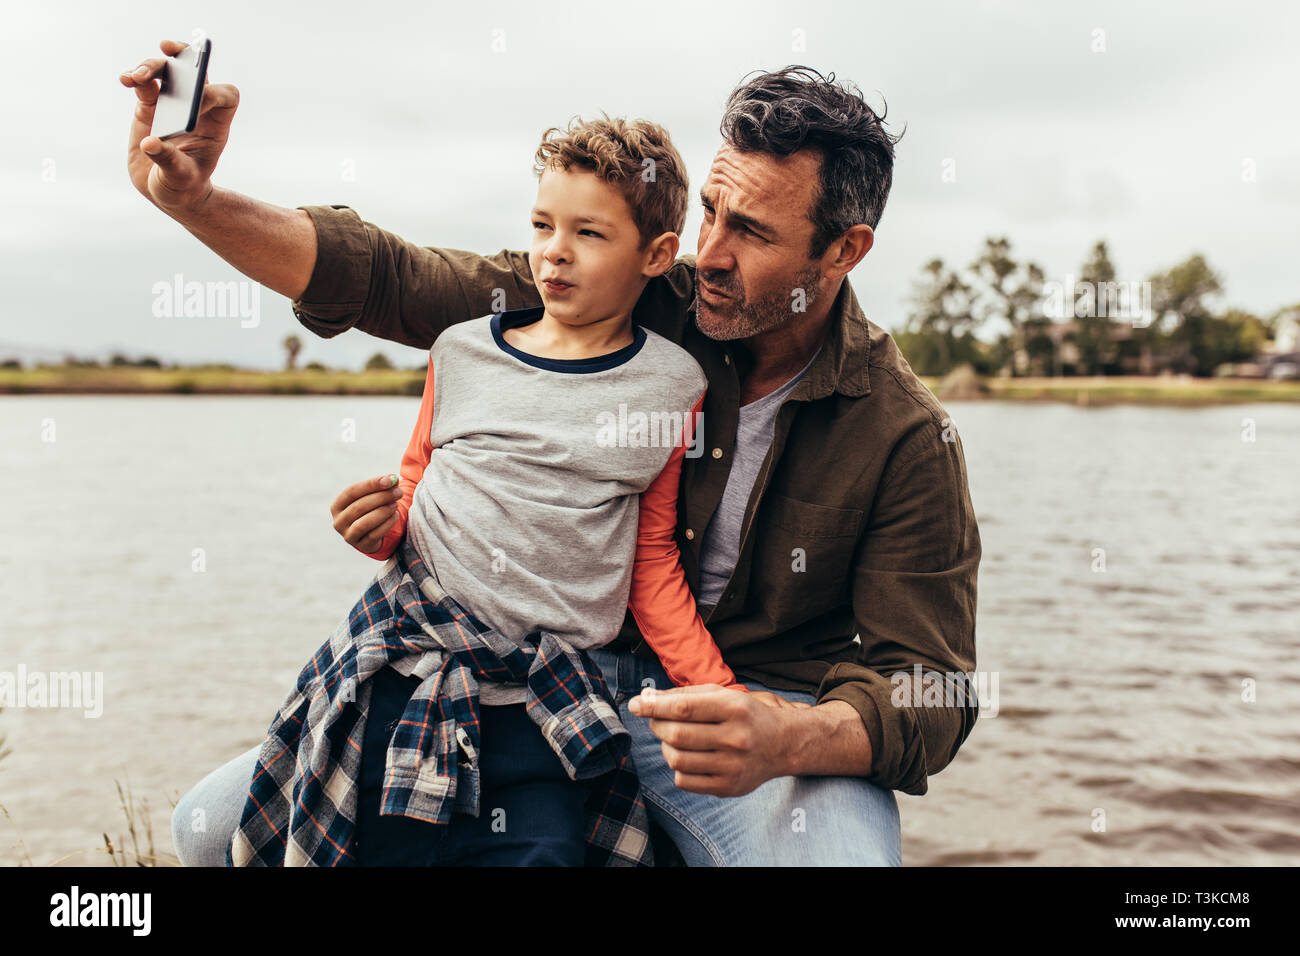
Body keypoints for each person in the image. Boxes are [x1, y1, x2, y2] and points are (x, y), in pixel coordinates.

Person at [125, 44, 980, 866]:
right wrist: (195, 199)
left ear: (843, 250)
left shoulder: (907, 436)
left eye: (749, 231)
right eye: (710, 213)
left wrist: (786, 734)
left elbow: (932, 689)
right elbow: (392, 277)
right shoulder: (632, 292)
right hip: (553, 672)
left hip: (765, 710)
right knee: (211, 830)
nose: (707, 254)